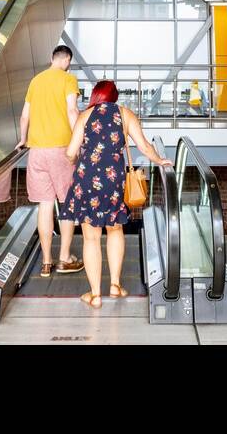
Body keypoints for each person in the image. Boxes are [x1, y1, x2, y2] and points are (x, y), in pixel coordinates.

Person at [63, 80, 171, 308]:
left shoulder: (85, 116)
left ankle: (94, 295)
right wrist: (160, 161)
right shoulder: (125, 114)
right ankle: (114, 285)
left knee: (91, 237)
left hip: (87, 179)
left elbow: (71, 152)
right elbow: (143, 145)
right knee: (115, 229)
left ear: (95, 96)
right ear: (115, 96)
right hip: (113, 180)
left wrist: (77, 159)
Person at [19, 45, 84, 276]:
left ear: (51, 58)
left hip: (36, 150)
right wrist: (79, 139)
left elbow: (25, 115)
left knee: (45, 205)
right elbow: (72, 111)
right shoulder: (68, 79)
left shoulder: (36, 81)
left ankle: (46, 262)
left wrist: (22, 140)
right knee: (67, 203)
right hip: (61, 149)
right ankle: (64, 258)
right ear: (67, 60)